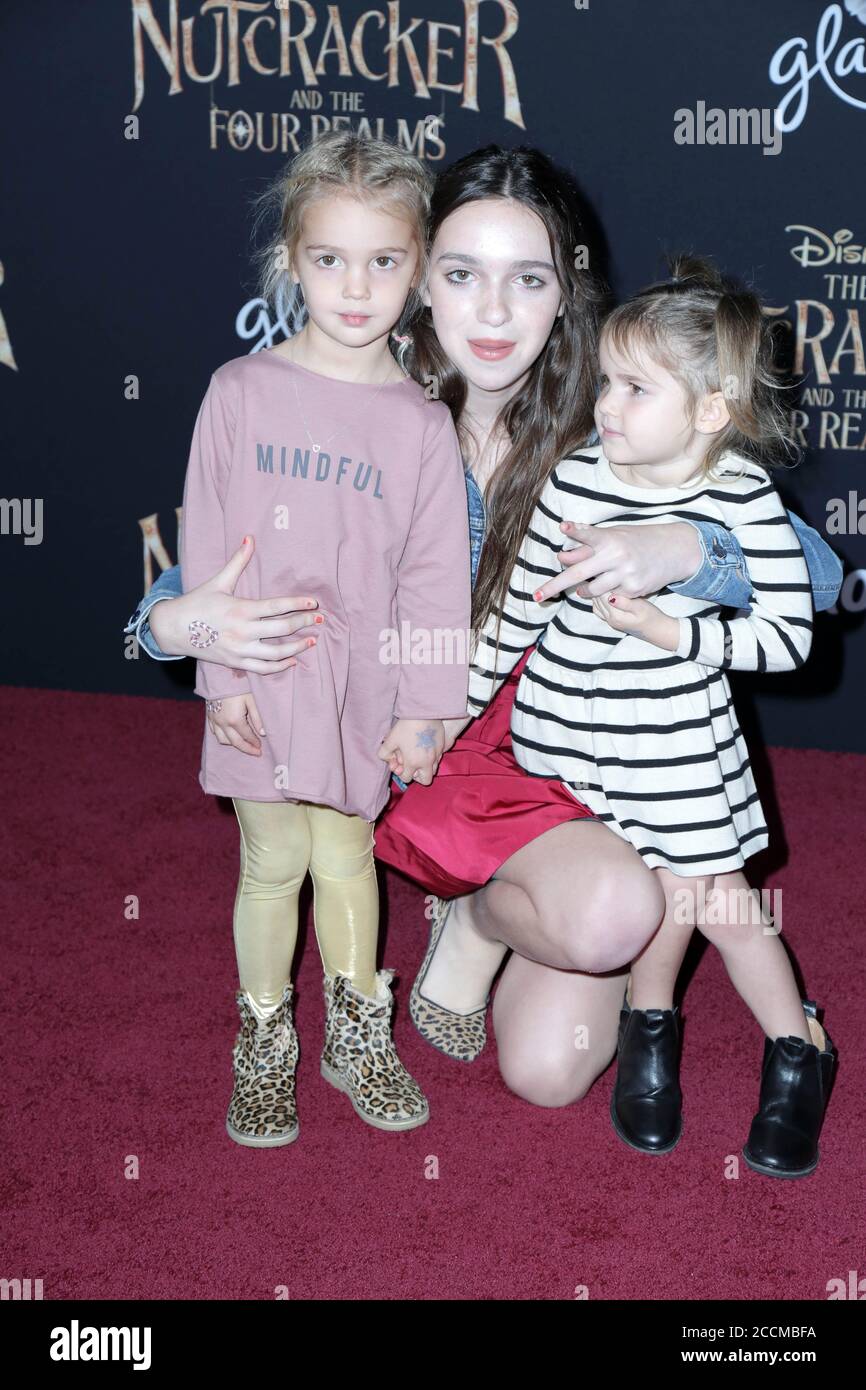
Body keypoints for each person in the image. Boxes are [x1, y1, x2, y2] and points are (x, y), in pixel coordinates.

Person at [125, 145, 842, 1114]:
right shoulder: (356, 394)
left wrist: (689, 543)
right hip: (420, 736)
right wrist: (169, 620)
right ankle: (449, 908)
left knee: (548, 1068)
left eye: (528, 279)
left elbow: (821, 571)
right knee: (581, 928)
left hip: (567, 752)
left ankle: (474, 919)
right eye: (462, 275)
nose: (493, 312)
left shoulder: (615, 420)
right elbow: (214, 572)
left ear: (566, 294)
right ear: (421, 276)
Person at [462, 253, 836, 1177]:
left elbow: (790, 639)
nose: (607, 406)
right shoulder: (576, 477)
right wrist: (455, 713)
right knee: (649, 904)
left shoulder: (741, 499)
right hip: (568, 755)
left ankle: (800, 1052)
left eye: (635, 388)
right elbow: (518, 607)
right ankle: (649, 1030)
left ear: (712, 411)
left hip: (673, 752)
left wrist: (676, 632)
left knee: (718, 902)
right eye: (606, 383)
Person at [176, 130, 473, 1146]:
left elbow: (437, 581)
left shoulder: (421, 425)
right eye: (329, 259)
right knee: (269, 857)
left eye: (384, 261)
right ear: (289, 261)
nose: (356, 287)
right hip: (259, 670)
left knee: (346, 852)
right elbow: (205, 547)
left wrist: (428, 707)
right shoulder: (238, 392)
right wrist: (219, 675)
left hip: (363, 683)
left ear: (419, 269)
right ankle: (262, 1042)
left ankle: (357, 1031)